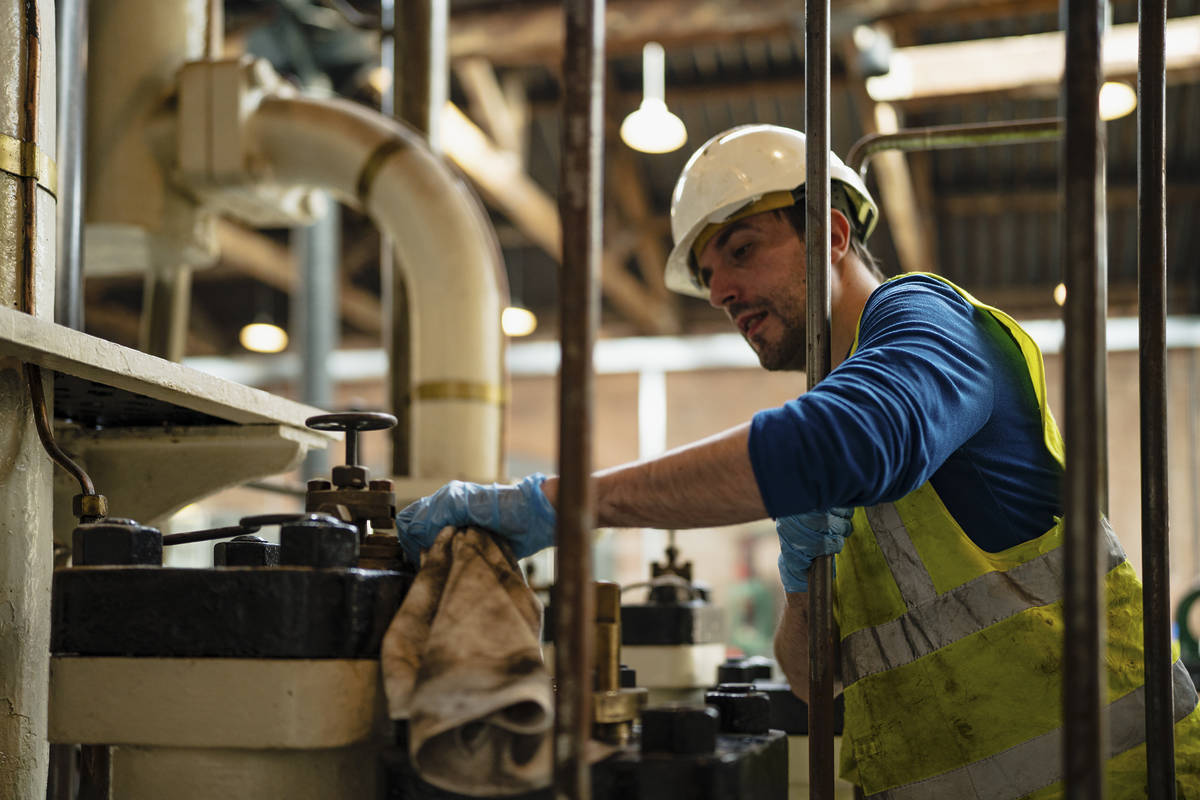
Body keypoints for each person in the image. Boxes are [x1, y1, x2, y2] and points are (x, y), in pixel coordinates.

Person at [395, 124, 1200, 798]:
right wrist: (803, 577)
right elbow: (816, 680)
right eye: (709, 276)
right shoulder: (843, 414)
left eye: (742, 251)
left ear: (836, 236)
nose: (722, 290)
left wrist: (566, 503)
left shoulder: (926, 319)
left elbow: (839, 439)